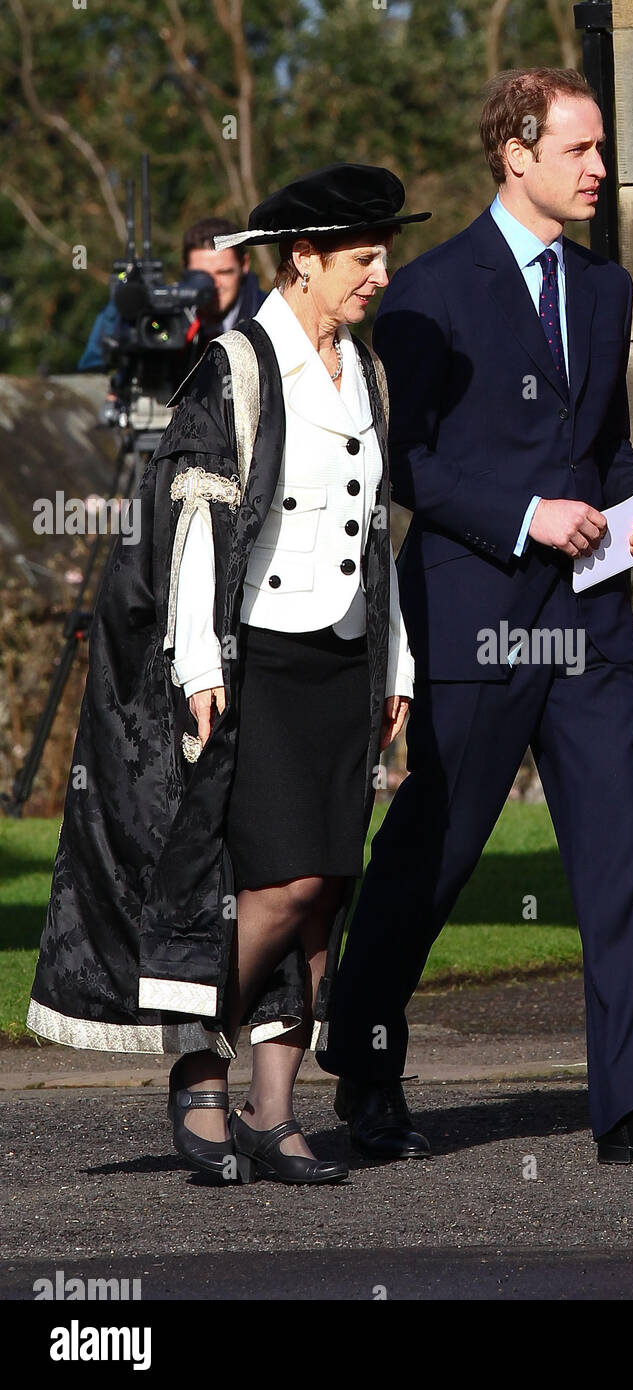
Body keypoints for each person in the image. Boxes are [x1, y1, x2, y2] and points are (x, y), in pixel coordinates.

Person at [317, 68, 633, 1170]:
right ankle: (364, 1066)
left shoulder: (604, 292)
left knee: (613, 859)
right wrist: (522, 515)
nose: (601, 168)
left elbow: (599, 448)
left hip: (593, 618)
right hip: (474, 614)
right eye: (579, 150)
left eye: (600, 148)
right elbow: (403, 463)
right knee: (437, 853)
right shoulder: (424, 291)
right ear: (516, 153)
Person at [28, 164, 430, 1184]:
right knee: (275, 885)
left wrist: (400, 664)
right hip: (259, 661)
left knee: (326, 888)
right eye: (363, 257)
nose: (381, 275)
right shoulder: (238, 364)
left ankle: (273, 1109)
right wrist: (196, 663)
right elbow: (198, 523)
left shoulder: (369, 372)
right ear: (303, 260)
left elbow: (379, 533)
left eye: (383, 254)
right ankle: (196, 1057)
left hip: (347, 657)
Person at [77, 217, 267, 372]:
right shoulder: (163, 310)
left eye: (223, 272)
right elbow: (91, 373)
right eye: (201, 278)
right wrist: (123, 315)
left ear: (244, 265)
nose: (212, 286)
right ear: (185, 269)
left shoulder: (269, 318)